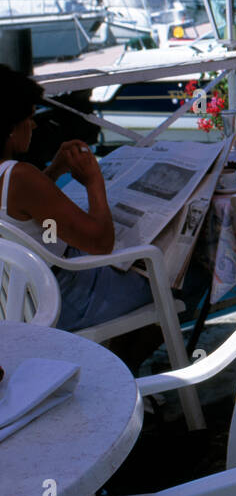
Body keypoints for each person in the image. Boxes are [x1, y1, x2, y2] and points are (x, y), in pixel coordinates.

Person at [0, 65, 153, 331]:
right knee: (176, 280)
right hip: (60, 299)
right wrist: (94, 182)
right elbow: (100, 242)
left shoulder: (15, 181)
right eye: (30, 116)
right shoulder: (21, 176)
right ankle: (129, 361)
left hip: (14, 301)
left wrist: (55, 170)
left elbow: (18, 210)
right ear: (11, 128)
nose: (34, 124)